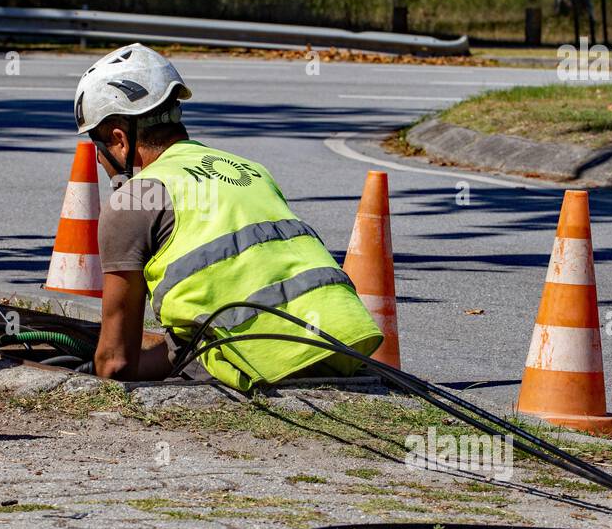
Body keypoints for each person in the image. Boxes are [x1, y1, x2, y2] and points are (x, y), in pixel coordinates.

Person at [74, 42, 383, 391]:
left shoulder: (133, 199)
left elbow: (116, 364)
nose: (99, 161)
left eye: (98, 147)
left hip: (269, 364)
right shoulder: (251, 169)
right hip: (345, 343)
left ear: (119, 140)